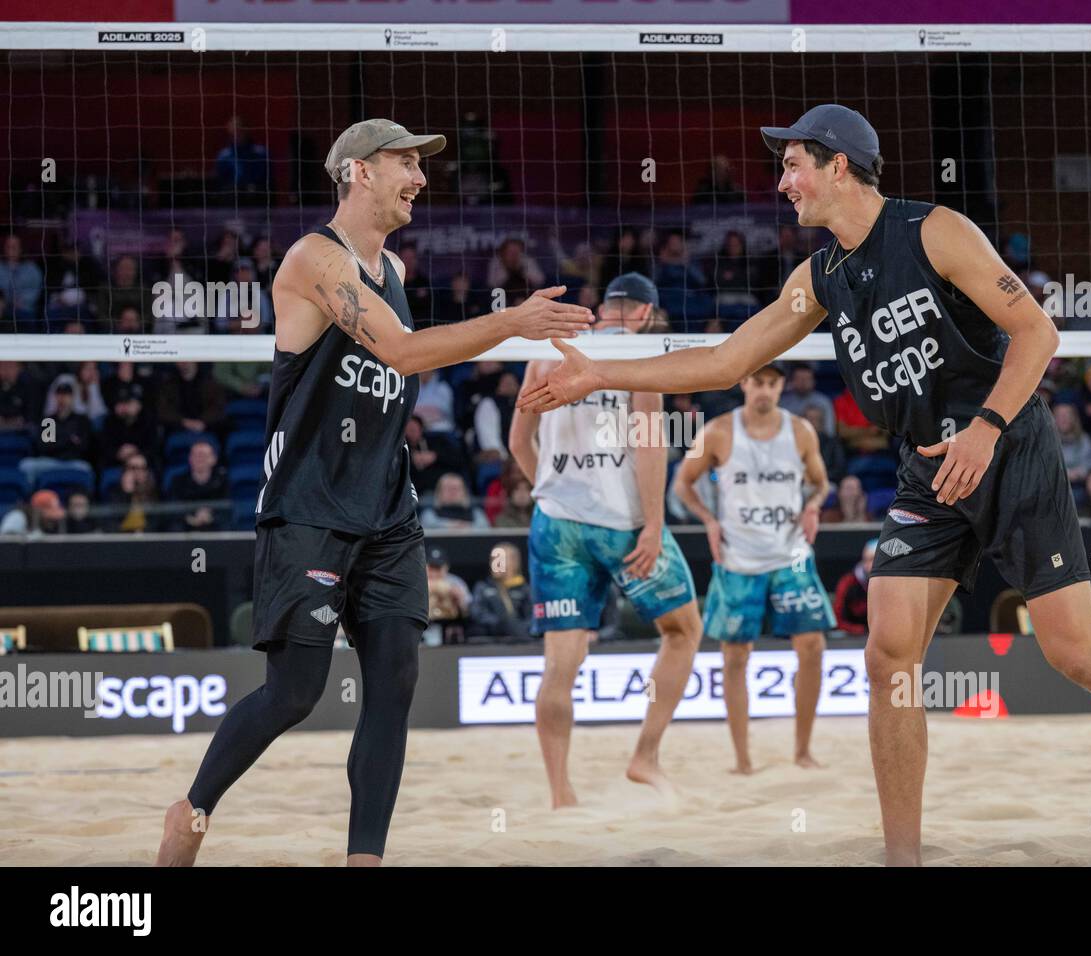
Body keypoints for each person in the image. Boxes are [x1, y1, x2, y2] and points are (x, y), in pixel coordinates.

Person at [519, 103, 1091, 863]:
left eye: (793, 165)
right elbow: (726, 361)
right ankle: (904, 855)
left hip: (1008, 447)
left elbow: (1039, 333)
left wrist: (987, 429)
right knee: (888, 658)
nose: (781, 183)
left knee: (1076, 654)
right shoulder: (821, 276)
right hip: (927, 471)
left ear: (838, 165)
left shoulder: (935, 231)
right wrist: (599, 370)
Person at [156, 118, 592, 867]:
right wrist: (512, 322)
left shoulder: (389, 270)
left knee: (394, 681)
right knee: (294, 694)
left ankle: (366, 860)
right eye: (405, 163)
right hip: (311, 508)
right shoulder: (312, 260)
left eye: (421, 166)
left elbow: (394, 379)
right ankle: (190, 810)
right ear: (358, 170)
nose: (421, 178)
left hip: (388, 513)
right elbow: (399, 351)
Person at [509, 272, 703, 809]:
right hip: (620, 523)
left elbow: (518, 440)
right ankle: (645, 756)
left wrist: (550, 487)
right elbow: (648, 445)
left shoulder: (547, 354)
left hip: (555, 523)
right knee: (683, 630)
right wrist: (655, 524)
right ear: (644, 312)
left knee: (560, 665)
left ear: (608, 305)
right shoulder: (641, 357)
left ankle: (560, 794)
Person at [673, 363, 835, 772]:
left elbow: (821, 482)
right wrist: (709, 520)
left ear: (782, 386)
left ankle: (803, 750)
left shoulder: (800, 431)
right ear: (744, 383)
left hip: (790, 553)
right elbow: (683, 482)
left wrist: (813, 506)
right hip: (738, 556)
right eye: (757, 381)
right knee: (735, 657)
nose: (764, 390)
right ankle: (742, 759)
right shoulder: (718, 431)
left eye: (772, 382)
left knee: (813, 647)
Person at [833, 538, 877, 636]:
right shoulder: (848, 583)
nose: (871, 565)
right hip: (853, 638)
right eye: (868, 560)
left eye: (875, 559)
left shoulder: (894, 585)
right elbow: (836, 619)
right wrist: (860, 630)